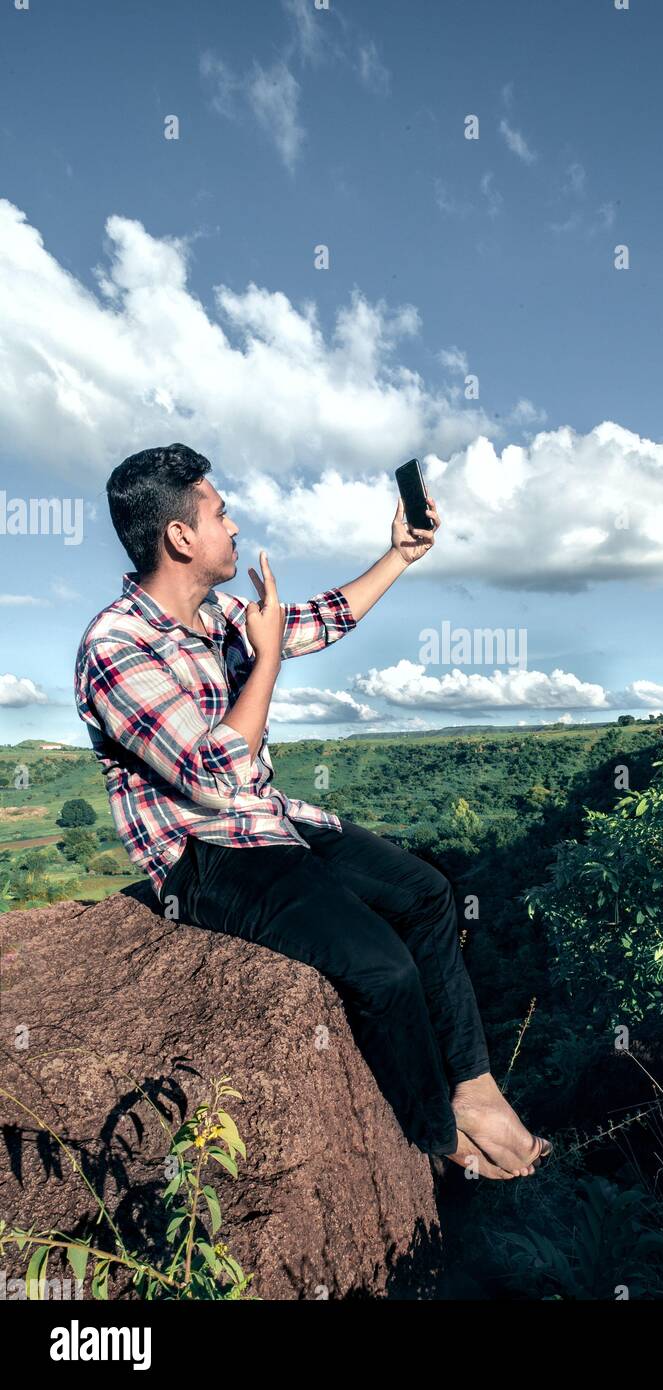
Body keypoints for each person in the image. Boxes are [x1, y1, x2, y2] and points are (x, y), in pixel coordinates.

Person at [74, 442, 551, 1180]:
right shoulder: (115, 646)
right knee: (383, 969)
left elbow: (317, 620)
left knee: (427, 894)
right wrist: (263, 660)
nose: (233, 528)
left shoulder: (221, 616)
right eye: (221, 514)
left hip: (270, 820)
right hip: (205, 855)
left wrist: (398, 555)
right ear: (180, 537)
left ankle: (475, 1087)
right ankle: (435, 1137)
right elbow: (207, 778)